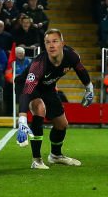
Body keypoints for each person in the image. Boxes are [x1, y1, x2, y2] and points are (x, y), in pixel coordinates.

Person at [15, 29, 94, 170]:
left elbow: (80, 69)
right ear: (44, 46)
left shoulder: (72, 56)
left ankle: (55, 156)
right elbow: (27, 90)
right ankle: (36, 160)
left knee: (62, 124)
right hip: (26, 86)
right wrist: (22, 118)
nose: (51, 45)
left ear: (62, 43)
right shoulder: (38, 65)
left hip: (48, 87)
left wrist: (89, 88)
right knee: (39, 108)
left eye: (55, 41)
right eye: (47, 42)